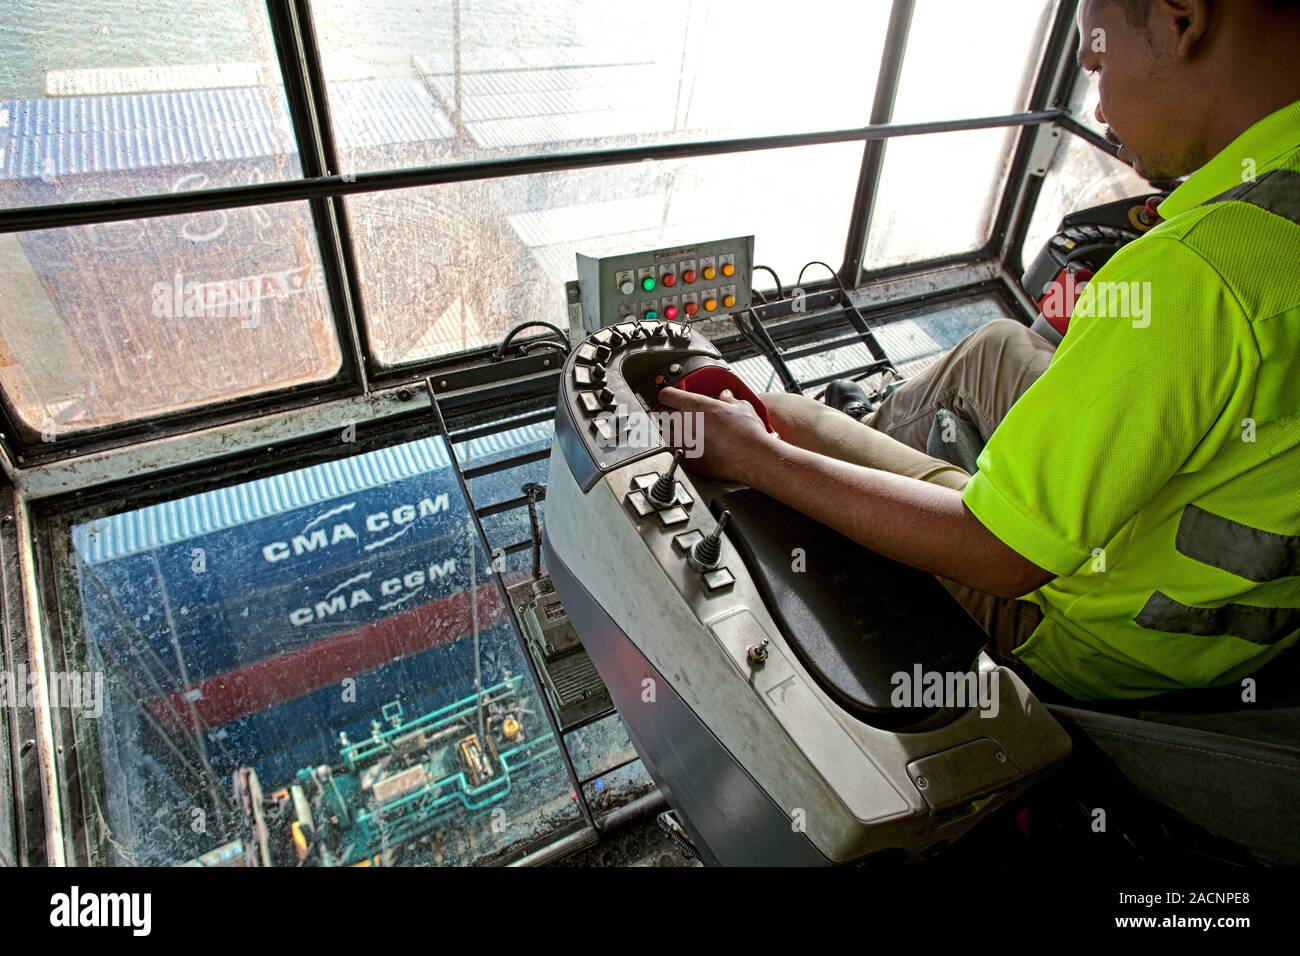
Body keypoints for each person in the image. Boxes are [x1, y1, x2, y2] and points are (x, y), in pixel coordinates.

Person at [659, 0, 1300, 701]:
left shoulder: (1199, 275)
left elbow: (999, 557)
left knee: (786, 419)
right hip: (1217, 602)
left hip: (1083, 633)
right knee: (997, 344)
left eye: (1095, 63)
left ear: (1183, 19)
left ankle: (837, 491)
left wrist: (757, 457)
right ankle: (873, 452)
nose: (1100, 106)